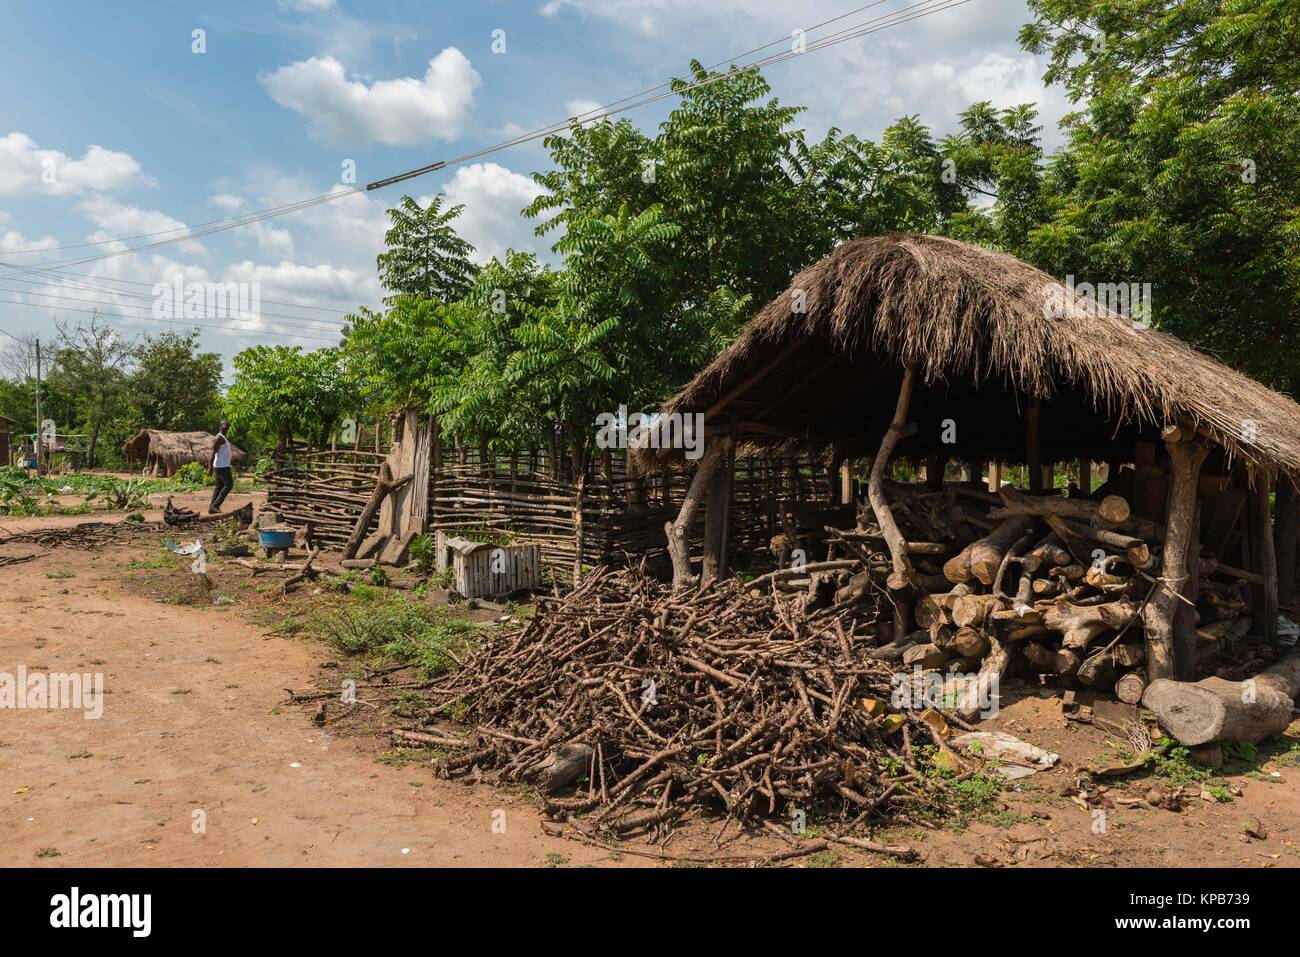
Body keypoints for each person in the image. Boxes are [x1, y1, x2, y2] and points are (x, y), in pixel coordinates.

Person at [207, 420, 234, 514]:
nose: (228, 427)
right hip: (221, 466)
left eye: (229, 425)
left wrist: (233, 463)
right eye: (226, 425)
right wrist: (209, 467)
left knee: (219, 486)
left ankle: (212, 507)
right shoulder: (219, 438)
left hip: (223, 465)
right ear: (220, 426)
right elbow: (213, 453)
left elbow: (226, 452)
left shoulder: (224, 438)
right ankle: (215, 505)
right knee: (229, 484)